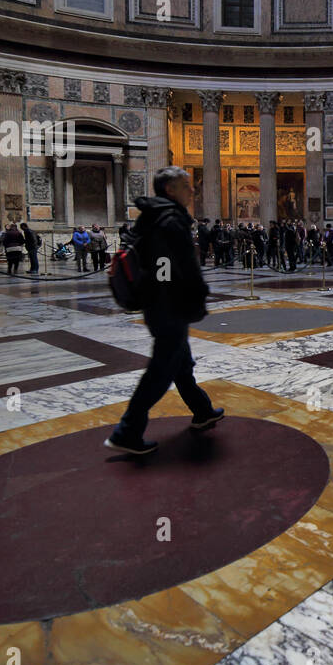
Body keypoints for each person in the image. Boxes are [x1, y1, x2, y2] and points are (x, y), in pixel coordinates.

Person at [106, 167, 223, 455]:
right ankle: (127, 431)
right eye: (186, 185)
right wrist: (184, 293)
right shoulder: (167, 220)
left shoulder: (156, 216)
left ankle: (202, 410)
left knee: (181, 363)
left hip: (163, 304)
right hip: (167, 306)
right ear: (170, 189)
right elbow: (163, 267)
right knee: (161, 371)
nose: (192, 190)